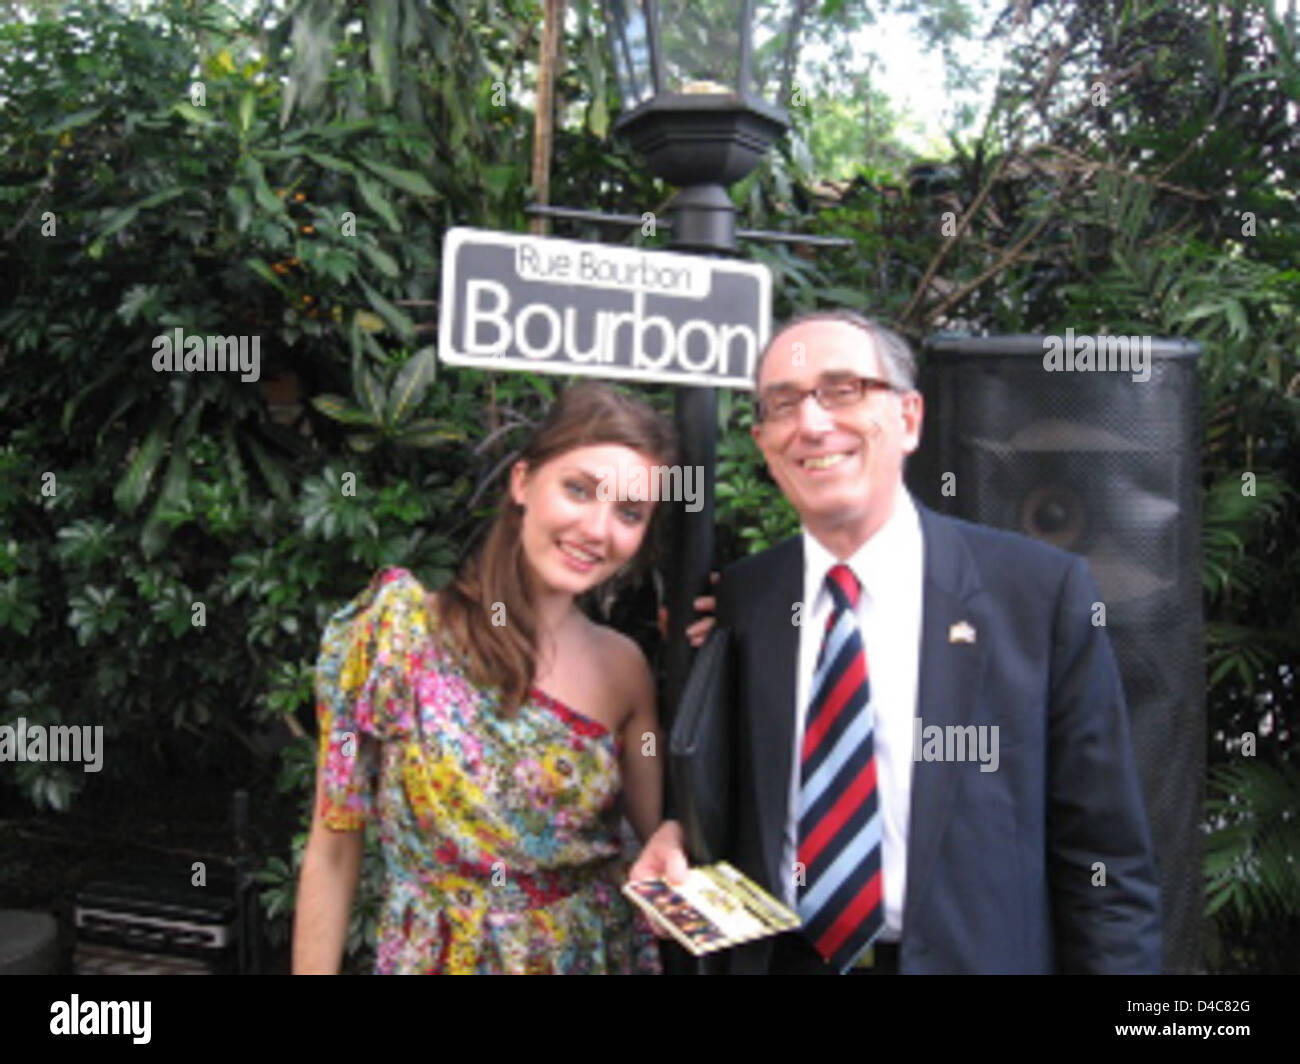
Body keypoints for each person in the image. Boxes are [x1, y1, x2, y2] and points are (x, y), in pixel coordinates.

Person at [631, 310, 1162, 974]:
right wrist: (681, 831)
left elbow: (1104, 861)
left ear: (908, 418)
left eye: (843, 389)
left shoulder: (1036, 594)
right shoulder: (746, 601)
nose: (813, 423)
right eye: (783, 403)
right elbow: (732, 797)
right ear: (765, 443)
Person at [293, 381, 674, 974]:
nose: (598, 530)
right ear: (522, 483)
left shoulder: (623, 668)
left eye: (629, 512)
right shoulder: (395, 637)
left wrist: (729, 644)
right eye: (578, 490)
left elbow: (668, 848)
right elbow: (334, 847)